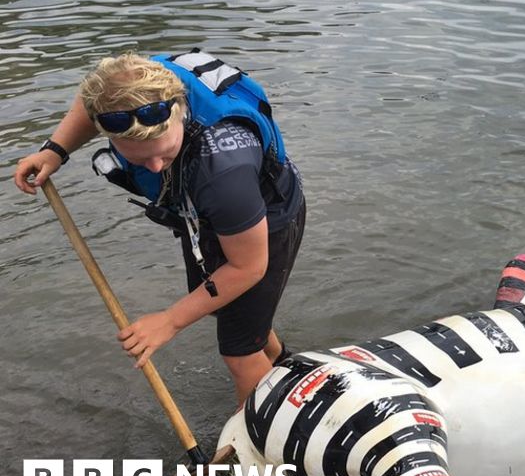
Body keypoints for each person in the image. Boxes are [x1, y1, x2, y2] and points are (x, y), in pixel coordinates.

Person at [13, 51, 306, 404]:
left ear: (180, 110)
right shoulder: (129, 85)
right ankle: (280, 360)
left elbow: (248, 267)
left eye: (166, 154)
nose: (154, 167)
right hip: (202, 214)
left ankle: (256, 431)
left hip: (264, 219)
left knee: (238, 353)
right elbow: (92, 102)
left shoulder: (224, 171)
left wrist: (169, 321)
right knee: (221, 306)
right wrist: (55, 151)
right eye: (138, 158)